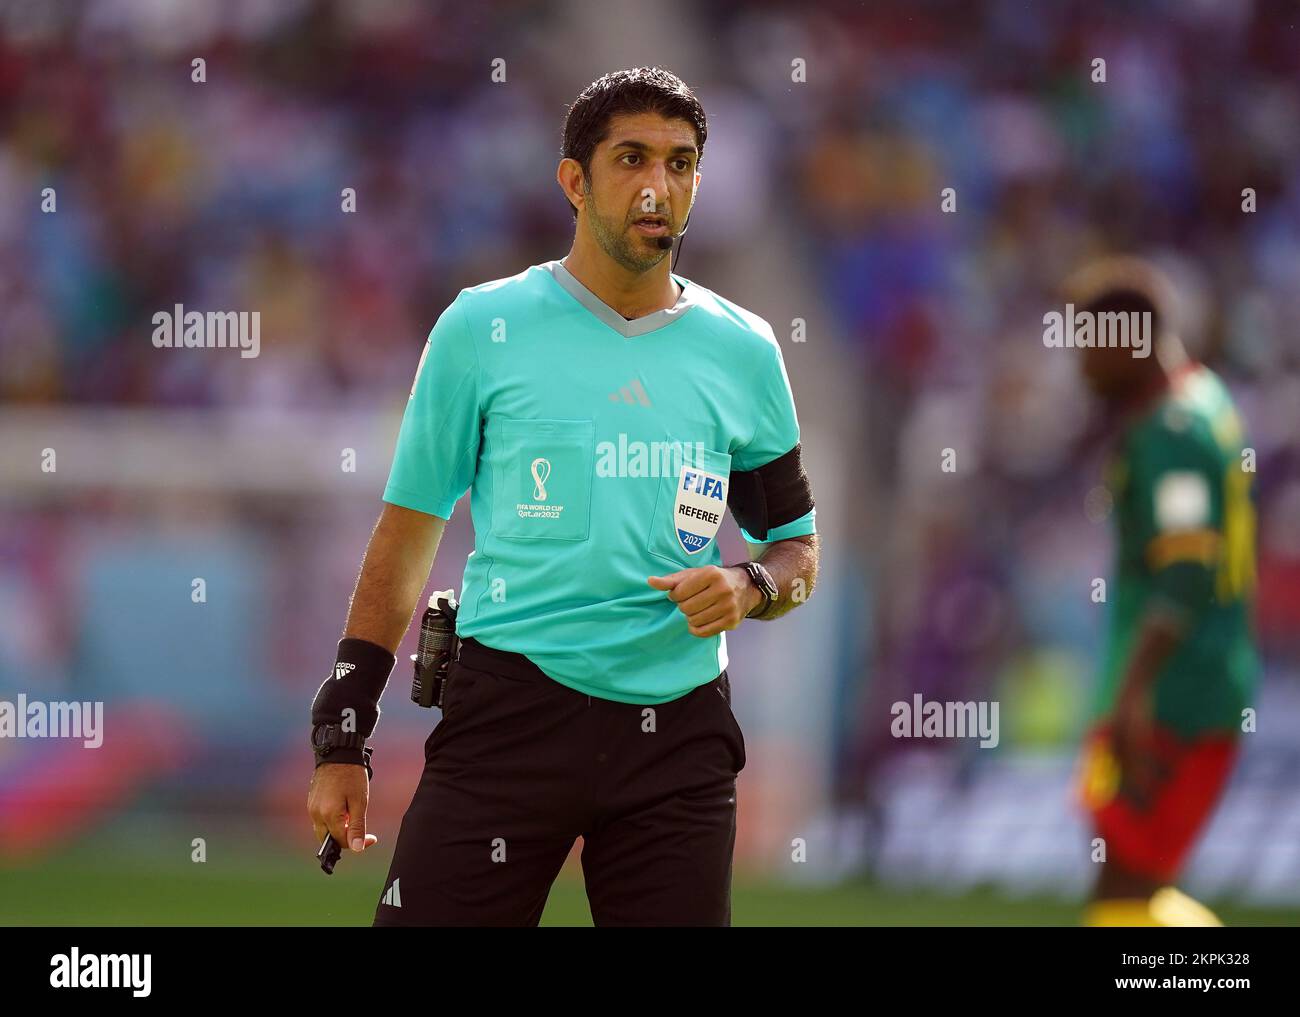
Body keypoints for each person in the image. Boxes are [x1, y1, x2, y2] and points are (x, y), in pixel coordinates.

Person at [306, 67, 820, 926]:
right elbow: (405, 539)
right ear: (575, 181)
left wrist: (750, 586)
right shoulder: (482, 328)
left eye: (682, 162)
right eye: (632, 159)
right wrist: (344, 730)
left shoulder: (745, 351)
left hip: (678, 735)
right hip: (510, 716)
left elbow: (798, 552)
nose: (660, 185)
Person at [1066, 257, 1258, 927]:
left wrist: (1133, 694)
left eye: (1087, 343)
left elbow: (1184, 572)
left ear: (1128, 339)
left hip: (1175, 695)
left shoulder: (1174, 432)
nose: (1079, 363)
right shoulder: (1203, 398)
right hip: (1186, 684)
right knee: (1128, 886)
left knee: (1124, 889)